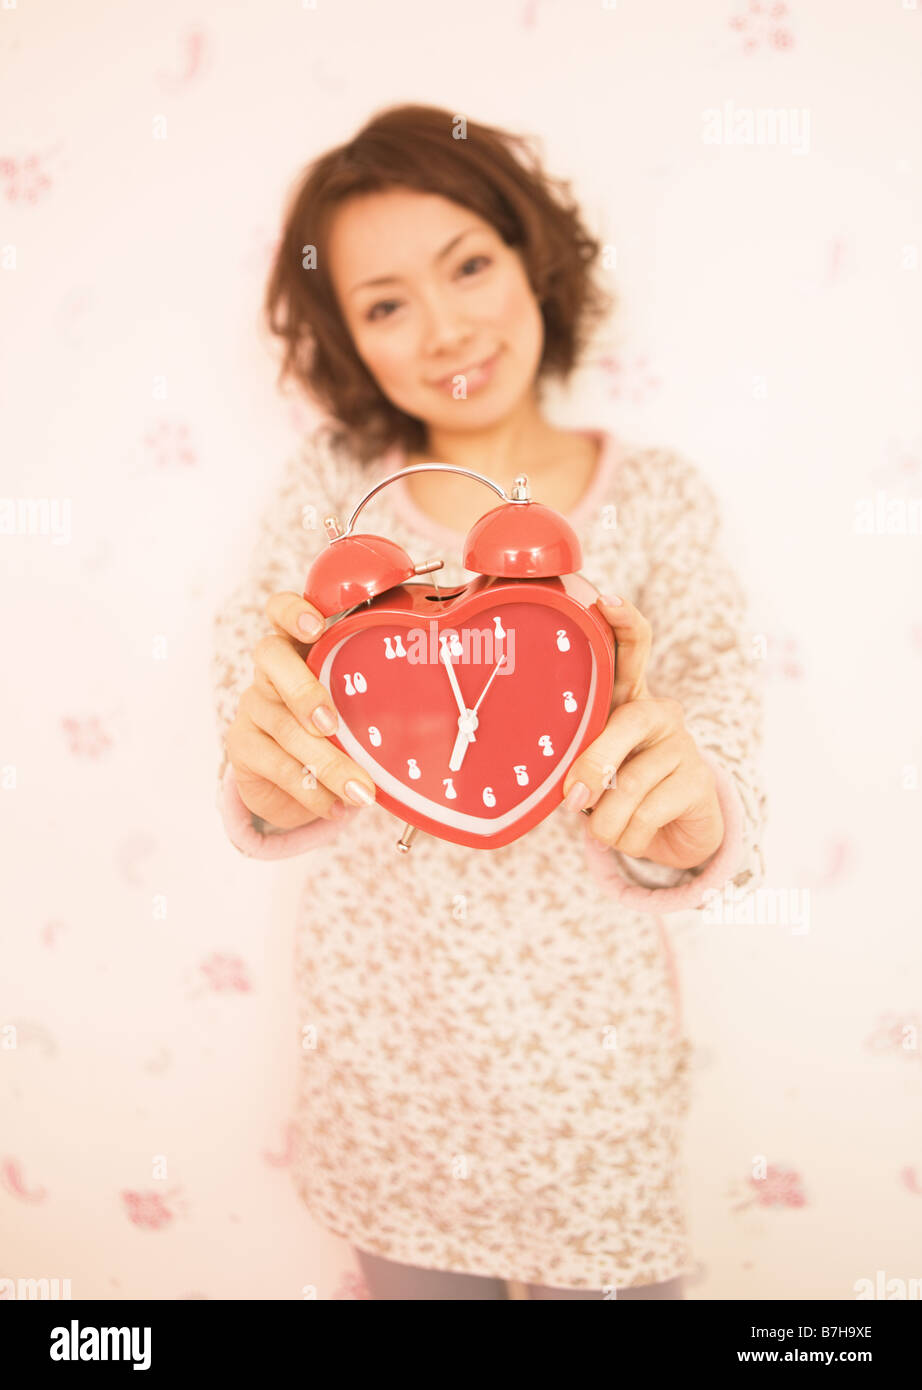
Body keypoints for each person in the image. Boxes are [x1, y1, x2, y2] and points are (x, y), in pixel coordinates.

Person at [212, 103, 766, 1300]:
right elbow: (246, 692)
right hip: (389, 1067)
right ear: (345, 337)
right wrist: (261, 766)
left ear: (535, 260)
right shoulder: (330, 492)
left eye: (468, 263)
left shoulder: (660, 499)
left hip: (591, 1078)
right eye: (384, 302)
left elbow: (720, 702)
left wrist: (696, 804)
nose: (444, 324)